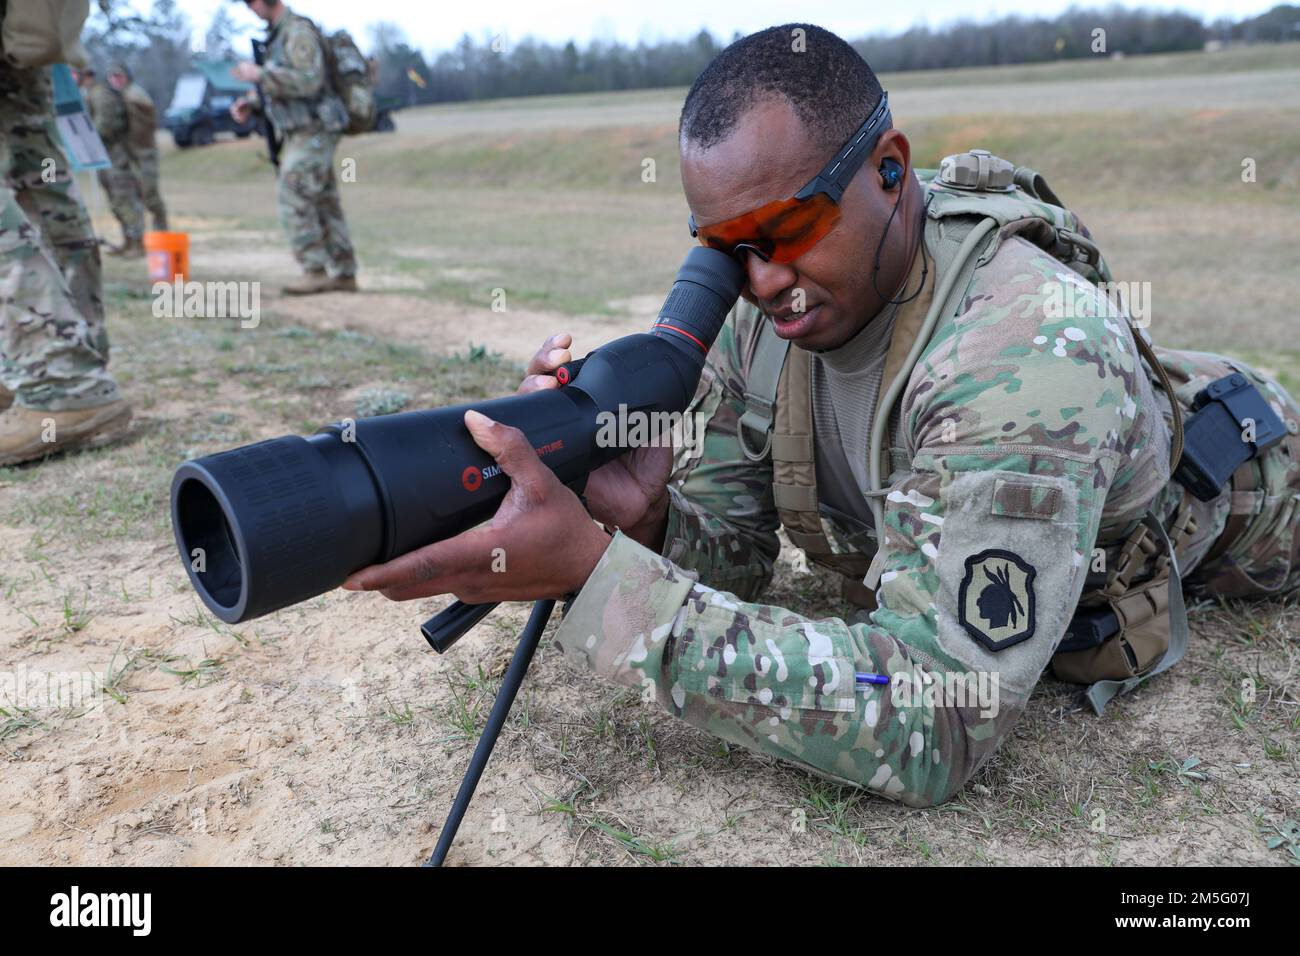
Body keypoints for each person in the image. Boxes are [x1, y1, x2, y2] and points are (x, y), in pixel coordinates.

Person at [338, 26, 1300, 807]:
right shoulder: (761, 315)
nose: (763, 282)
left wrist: (601, 585)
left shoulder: (1022, 354)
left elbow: (937, 723)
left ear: (890, 169)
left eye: (791, 229)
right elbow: (737, 559)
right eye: (727, 248)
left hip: (1258, 484)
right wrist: (640, 520)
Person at [0, 3, 132, 466]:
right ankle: (69, 359)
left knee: (30, 177)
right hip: (22, 31)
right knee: (36, 176)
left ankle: (62, 384)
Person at [229, 0, 358, 295]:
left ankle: (314, 269)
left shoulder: (297, 31)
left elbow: (309, 82)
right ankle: (344, 271)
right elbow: (290, 89)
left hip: (315, 127)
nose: (251, 9)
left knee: (294, 187)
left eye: (252, 2)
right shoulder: (279, 35)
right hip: (302, 128)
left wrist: (261, 75)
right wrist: (253, 103)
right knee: (323, 198)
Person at [79, 66, 143, 258]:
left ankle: (137, 244)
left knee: (124, 199)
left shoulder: (101, 94)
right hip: (105, 157)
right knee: (116, 202)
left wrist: (89, 141)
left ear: (86, 75)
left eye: (75, 74)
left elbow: (106, 125)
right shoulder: (91, 93)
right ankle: (128, 242)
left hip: (116, 157)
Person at [106, 64, 167, 234]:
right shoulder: (115, 98)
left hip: (144, 152)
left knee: (150, 194)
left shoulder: (135, 94)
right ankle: (138, 236)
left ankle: (162, 232)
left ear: (127, 77)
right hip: (126, 154)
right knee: (130, 195)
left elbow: (147, 114)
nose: (116, 80)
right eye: (112, 77)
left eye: (119, 76)